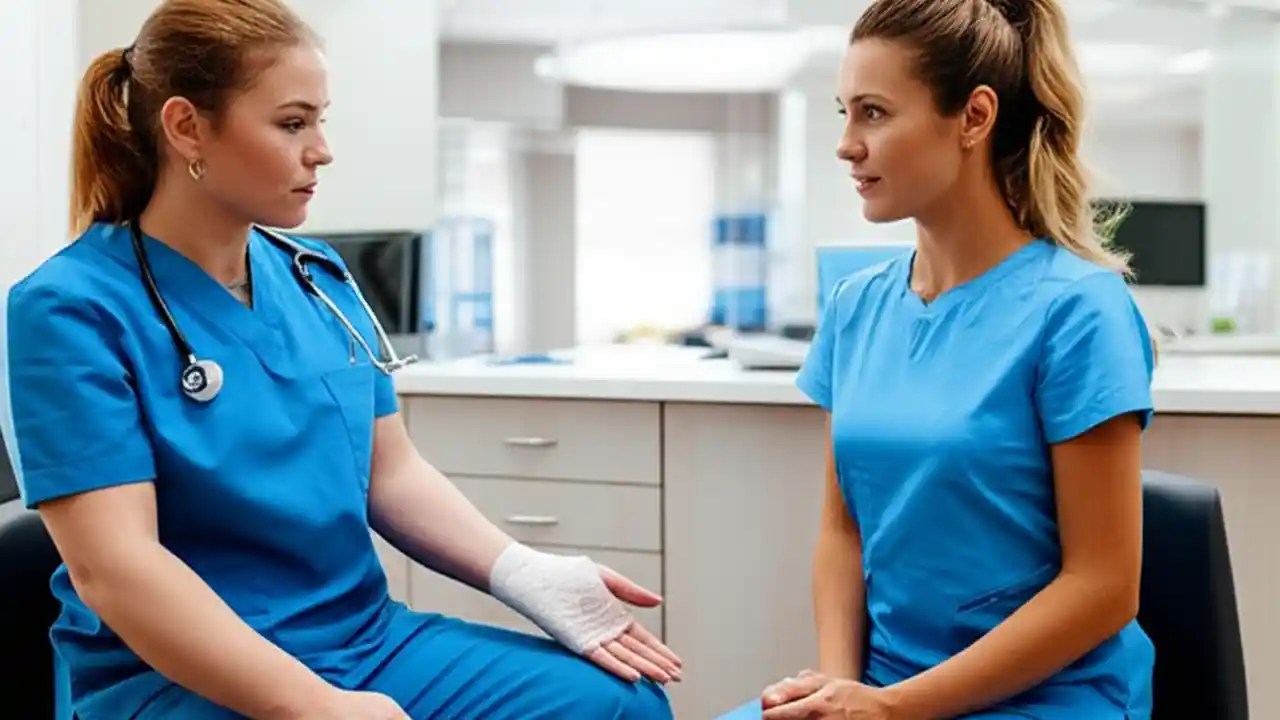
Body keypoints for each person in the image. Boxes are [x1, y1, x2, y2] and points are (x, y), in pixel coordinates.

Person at [0, 1, 678, 719]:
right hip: (176, 671)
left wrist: (526, 573)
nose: (321, 148)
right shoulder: (69, 307)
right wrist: (315, 707)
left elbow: (393, 473)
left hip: (362, 640)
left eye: (320, 119)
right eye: (292, 123)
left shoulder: (315, 278)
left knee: (619, 704)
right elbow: (115, 570)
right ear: (186, 127)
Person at [754, 0, 1157, 718]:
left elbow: (1104, 585)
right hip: (882, 688)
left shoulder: (1078, 311)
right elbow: (842, 531)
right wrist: (841, 689)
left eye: (873, 113)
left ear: (973, 117)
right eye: (843, 112)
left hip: (1045, 697)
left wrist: (893, 709)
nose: (846, 144)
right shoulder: (855, 307)